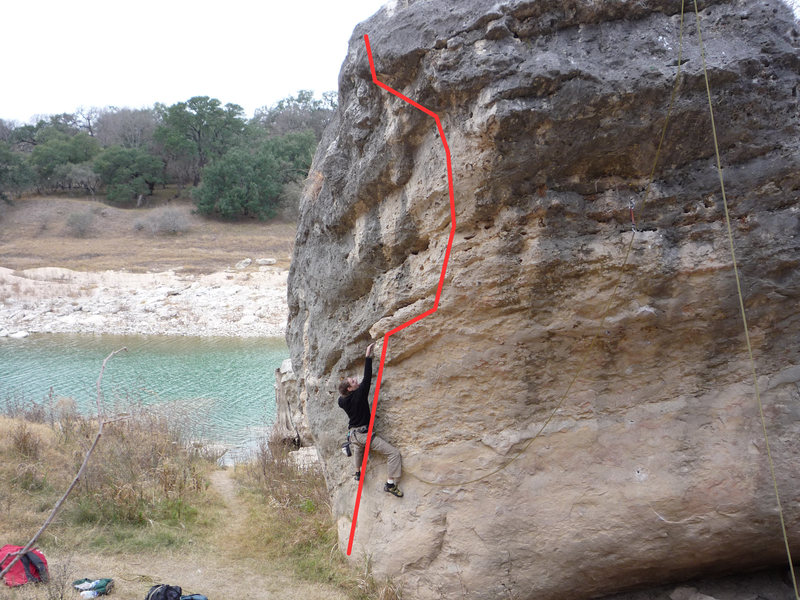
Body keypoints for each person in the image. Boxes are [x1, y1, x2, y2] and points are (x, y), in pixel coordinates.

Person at [337, 342, 403, 498]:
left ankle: (358, 473)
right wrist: (368, 355)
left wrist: (350, 387)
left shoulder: (342, 401)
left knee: (358, 451)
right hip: (365, 436)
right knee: (394, 454)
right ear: (350, 389)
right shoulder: (359, 395)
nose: (356, 381)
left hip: (353, 436)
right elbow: (367, 377)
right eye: (353, 382)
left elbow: (344, 395)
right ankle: (390, 484)